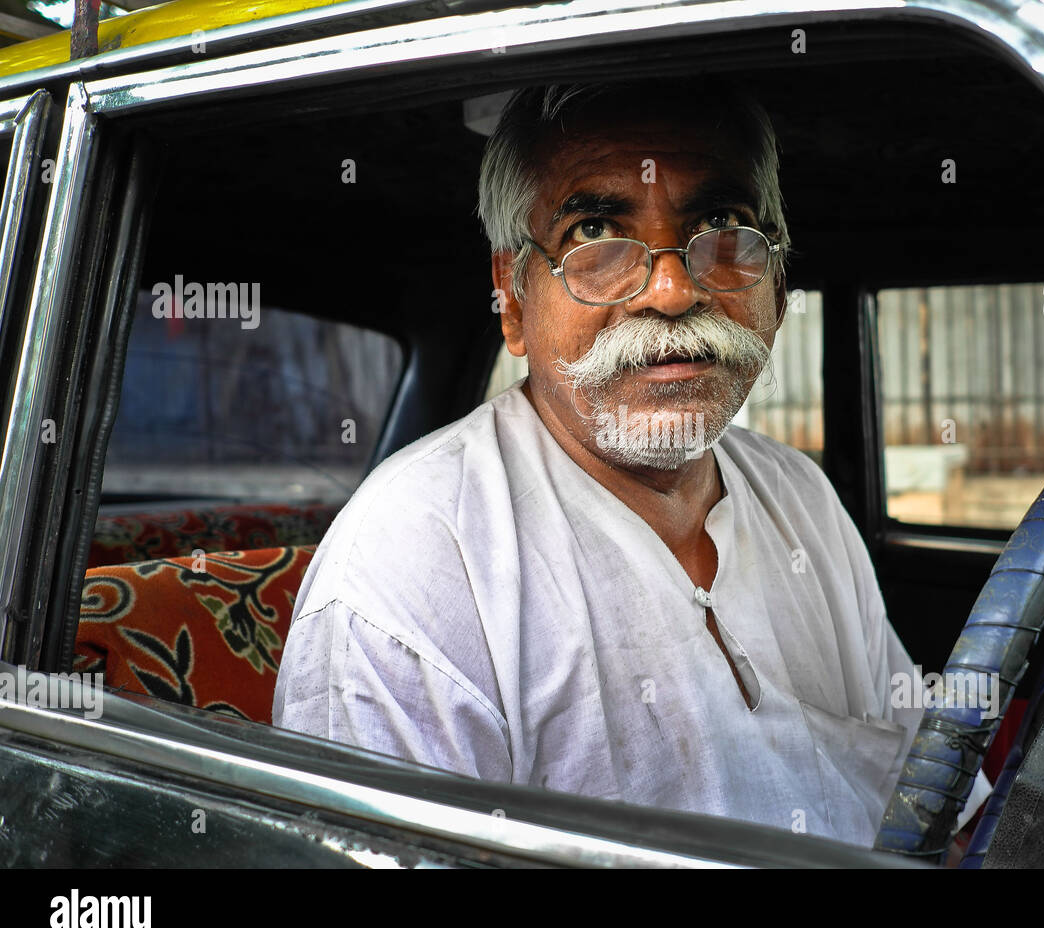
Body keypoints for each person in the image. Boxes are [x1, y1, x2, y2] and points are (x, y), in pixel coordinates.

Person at [273, 79, 990, 848]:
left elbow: (934, 808)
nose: (674, 290)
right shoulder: (413, 562)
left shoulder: (799, 496)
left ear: (778, 289)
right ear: (513, 302)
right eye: (594, 232)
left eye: (722, 223)